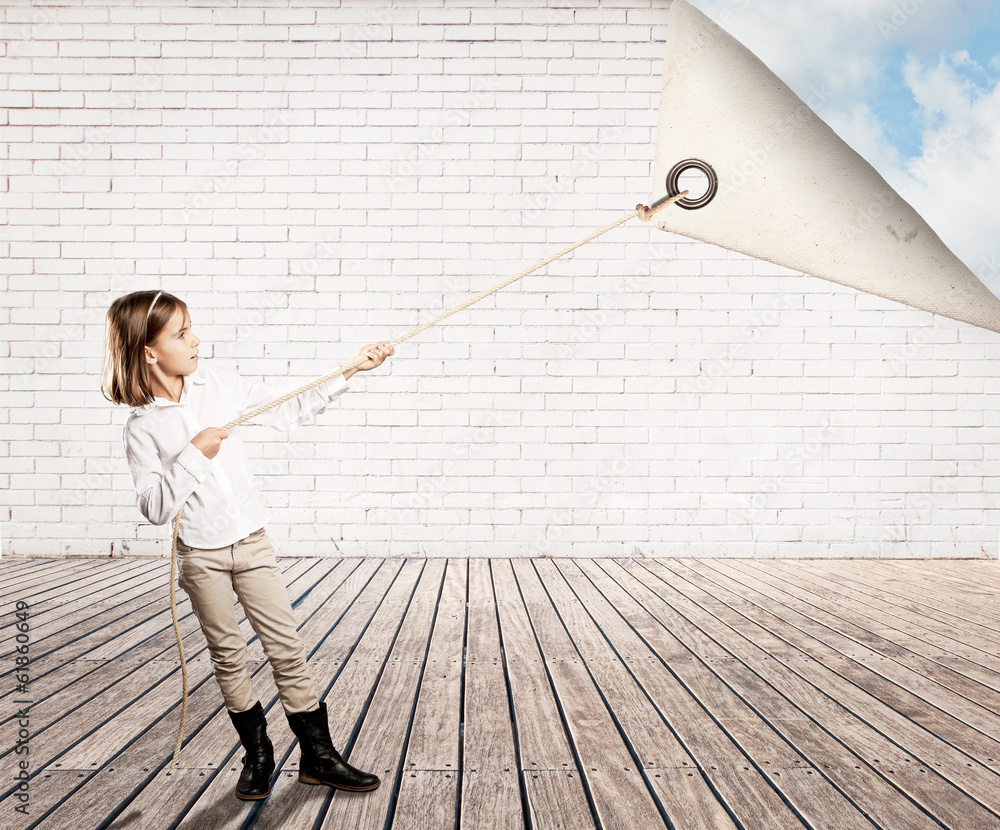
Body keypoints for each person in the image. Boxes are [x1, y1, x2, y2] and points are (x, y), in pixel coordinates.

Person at [101, 289, 393, 801]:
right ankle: (258, 756)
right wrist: (194, 453)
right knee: (228, 656)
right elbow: (152, 507)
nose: (196, 340)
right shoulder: (143, 427)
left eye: (192, 328)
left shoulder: (217, 384)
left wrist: (348, 370)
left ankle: (318, 757)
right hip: (201, 557)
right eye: (182, 333)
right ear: (149, 351)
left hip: (251, 542)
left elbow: (285, 405)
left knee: (287, 649)